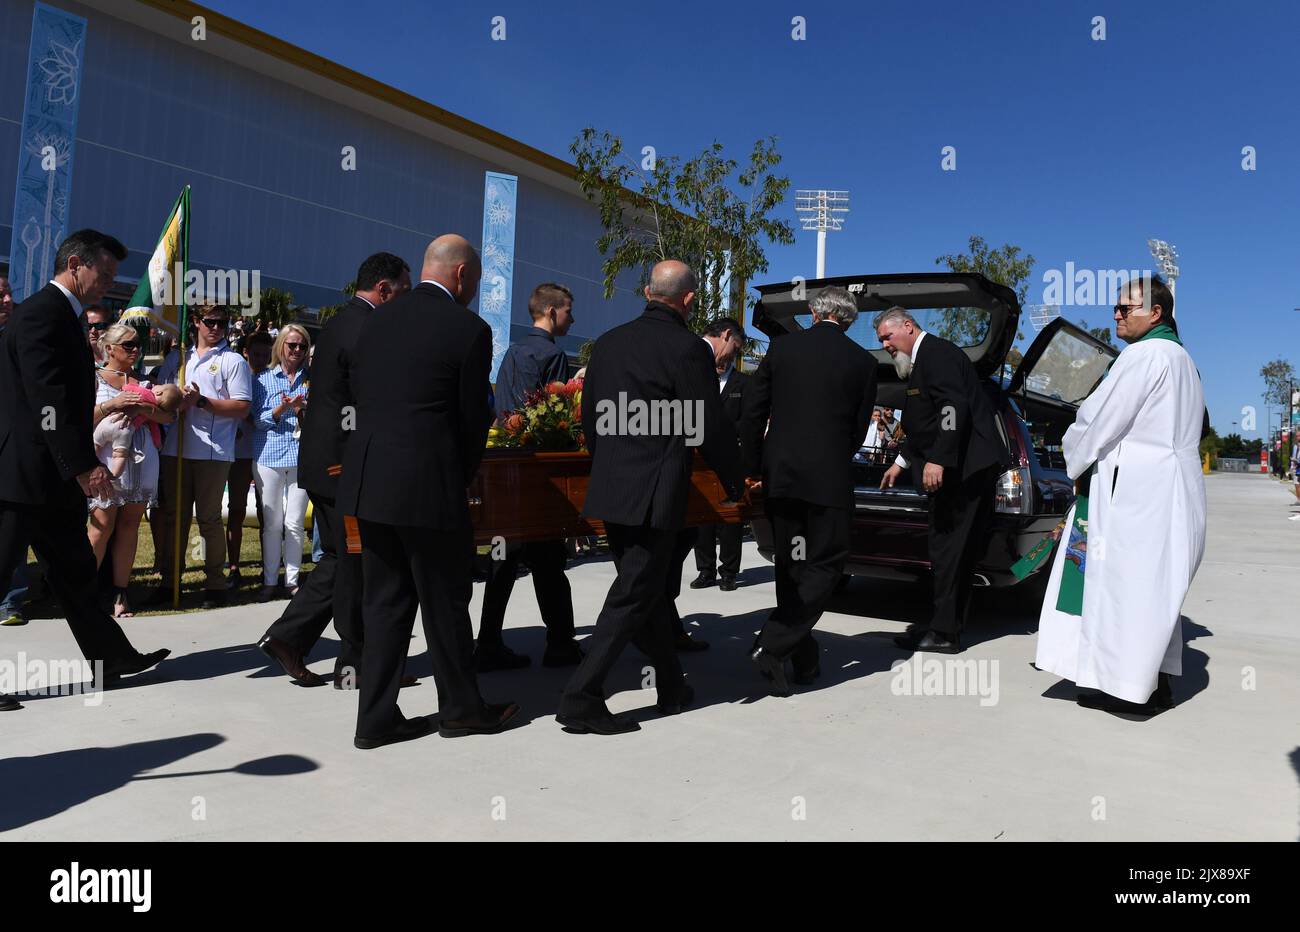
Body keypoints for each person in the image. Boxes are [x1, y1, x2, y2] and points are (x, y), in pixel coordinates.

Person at [339, 235, 518, 748]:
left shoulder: (375, 322)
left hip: (371, 480)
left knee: (384, 603)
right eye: (477, 281)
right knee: (444, 602)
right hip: (428, 484)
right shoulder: (469, 329)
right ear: (462, 275)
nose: (475, 290)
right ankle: (461, 708)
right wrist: (459, 477)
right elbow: (470, 420)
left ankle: (375, 718)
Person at [555, 260, 743, 735]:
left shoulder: (609, 343)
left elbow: (594, 419)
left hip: (613, 485)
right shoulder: (686, 349)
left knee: (648, 594)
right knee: (633, 595)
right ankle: (581, 697)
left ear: (646, 291)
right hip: (655, 491)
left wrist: (610, 466)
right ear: (689, 299)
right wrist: (737, 479)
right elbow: (708, 424)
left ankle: (671, 686)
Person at [0, 229, 169, 699]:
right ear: (75, 264)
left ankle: (111, 656)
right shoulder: (41, 315)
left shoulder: (64, 316)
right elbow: (47, 399)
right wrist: (83, 465)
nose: (110, 283)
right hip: (22, 474)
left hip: (48, 476)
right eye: (105, 273)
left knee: (75, 570)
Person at [1035, 274, 1206, 715]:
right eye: (1116, 306)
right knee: (1154, 590)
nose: (1116, 314)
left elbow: (1099, 419)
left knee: (1124, 589)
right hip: (1172, 488)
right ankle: (1154, 681)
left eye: (1125, 308)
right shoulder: (1183, 358)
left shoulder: (1144, 356)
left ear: (1156, 313)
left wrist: (1072, 456)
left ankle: (1127, 688)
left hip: (1136, 493)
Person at [259, 252, 410, 688]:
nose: (404, 299)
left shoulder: (343, 322)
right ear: (383, 289)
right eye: (401, 289)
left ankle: (297, 641)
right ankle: (350, 661)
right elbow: (372, 401)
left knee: (345, 560)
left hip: (327, 462)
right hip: (342, 465)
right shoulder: (368, 329)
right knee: (355, 560)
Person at [740, 287, 877, 694]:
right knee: (828, 563)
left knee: (793, 564)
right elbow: (857, 429)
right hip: (828, 479)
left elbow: (753, 410)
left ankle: (799, 656)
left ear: (814, 313)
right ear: (849, 319)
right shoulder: (863, 361)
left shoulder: (782, 350)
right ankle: (775, 644)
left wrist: (753, 467)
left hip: (781, 477)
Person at [878, 306, 1008, 654]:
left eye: (887, 336)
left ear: (908, 326)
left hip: (962, 472)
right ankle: (944, 625)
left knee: (949, 550)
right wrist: (902, 462)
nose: (885, 345)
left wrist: (938, 458)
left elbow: (953, 407)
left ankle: (944, 632)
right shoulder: (922, 361)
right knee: (952, 550)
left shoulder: (936, 353)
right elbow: (927, 420)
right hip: (958, 468)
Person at [475, 282, 584, 672]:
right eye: (569, 310)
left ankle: (488, 640)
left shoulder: (513, 352)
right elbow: (554, 415)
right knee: (549, 560)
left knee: (503, 559)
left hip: (506, 464)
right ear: (552, 312)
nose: (573, 317)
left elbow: (505, 408)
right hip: (537, 469)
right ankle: (560, 642)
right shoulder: (552, 355)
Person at [154, 304, 253, 609]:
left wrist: (203, 402)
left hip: (214, 452)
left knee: (208, 519)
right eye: (210, 322)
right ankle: (170, 581)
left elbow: (242, 407)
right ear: (196, 322)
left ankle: (215, 584)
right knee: (174, 518)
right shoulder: (177, 358)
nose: (216, 328)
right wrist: (170, 400)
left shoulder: (233, 360)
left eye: (222, 323)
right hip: (176, 449)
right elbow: (157, 394)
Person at [86, 323, 180, 616]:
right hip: (105, 462)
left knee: (129, 525)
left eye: (137, 345)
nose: (135, 350)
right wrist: (114, 404)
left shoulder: (143, 380)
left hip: (142, 459)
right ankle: (83, 593)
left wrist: (142, 408)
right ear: (110, 349)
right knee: (101, 526)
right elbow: (77, 420)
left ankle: (120, 592)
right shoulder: (94, 379)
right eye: (128, 345)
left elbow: (167, 417)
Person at [250, 324, 312, 601]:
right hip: (269, 456)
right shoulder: (262, 379)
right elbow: (258, 421)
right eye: (292, 345)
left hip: (302, 456)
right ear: (281, 347)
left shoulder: (313, 379)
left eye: (302, 346)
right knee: (273, 523)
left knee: (295, 522)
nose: (297, 350)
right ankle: (269, 580)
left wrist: (303, 410)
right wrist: (283, 408)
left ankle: (292, 580)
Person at [690, 316, 751, 593]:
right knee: (702, 516)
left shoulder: (743, 384)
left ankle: (729, 572)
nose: (731, 355)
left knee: (731, 517)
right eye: (734, 347)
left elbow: (749, 420)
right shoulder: (697, 373)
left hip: (731, 456)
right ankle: (705, 570)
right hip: (701, 456)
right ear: (726, 336)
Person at [226, 331, 272, 587]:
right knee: (236, 510)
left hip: (266, 453)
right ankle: (234, 567)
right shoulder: (237, 373)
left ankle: (270, 564)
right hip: (240, 454)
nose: (261, 359)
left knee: (268, 513)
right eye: (257, 354)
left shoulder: (273, 378)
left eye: (266, 354)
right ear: (246, 352)